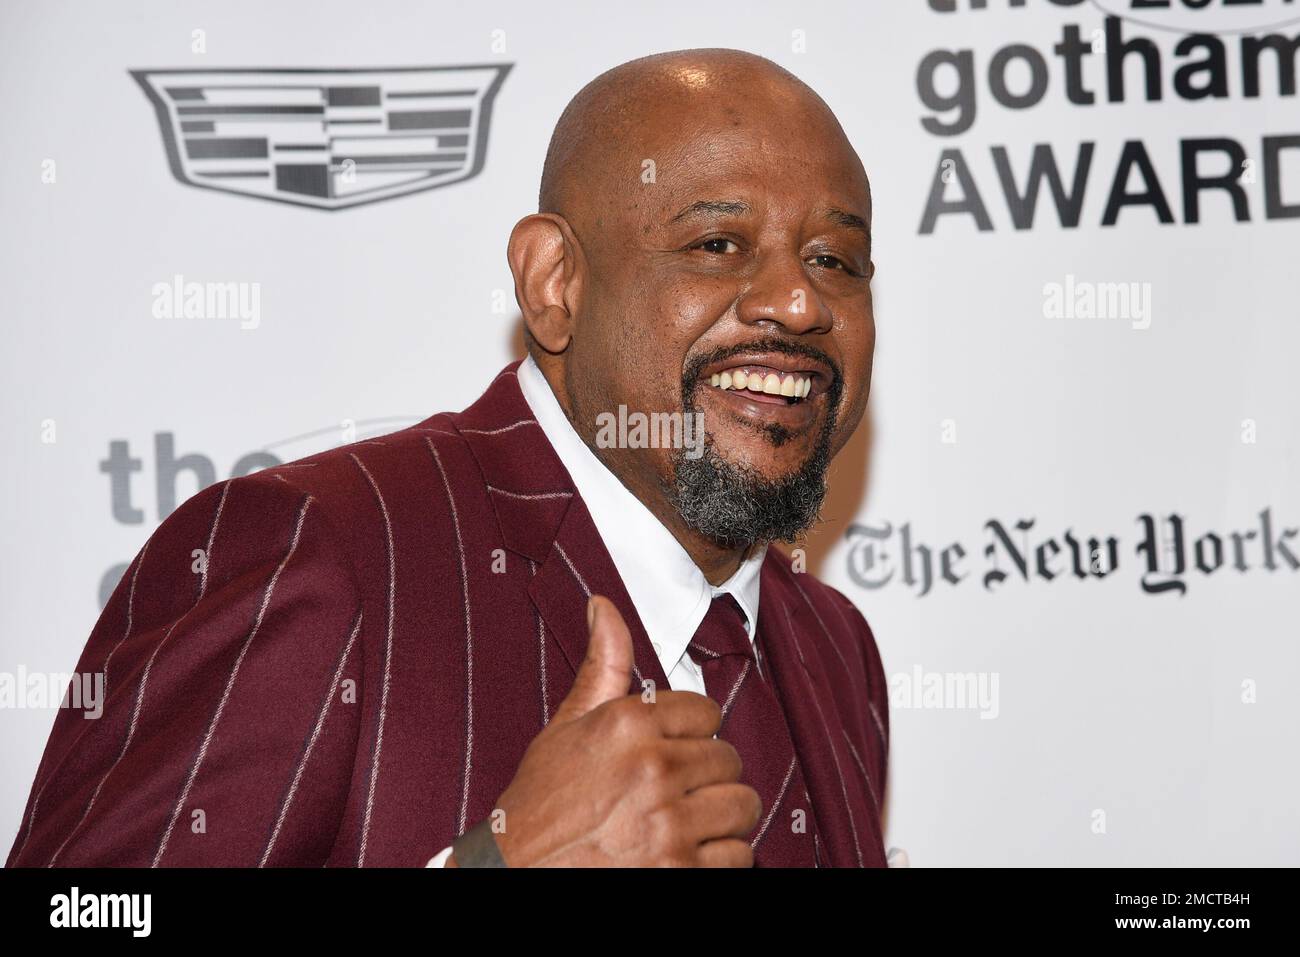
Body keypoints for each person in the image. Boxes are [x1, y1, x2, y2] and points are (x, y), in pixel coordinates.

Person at [8, 47, 888, 868]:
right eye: (718, 245)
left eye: (835, 258)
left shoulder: (834, 648)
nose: (798, 300)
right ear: (555, 284)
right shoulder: (319, 553)